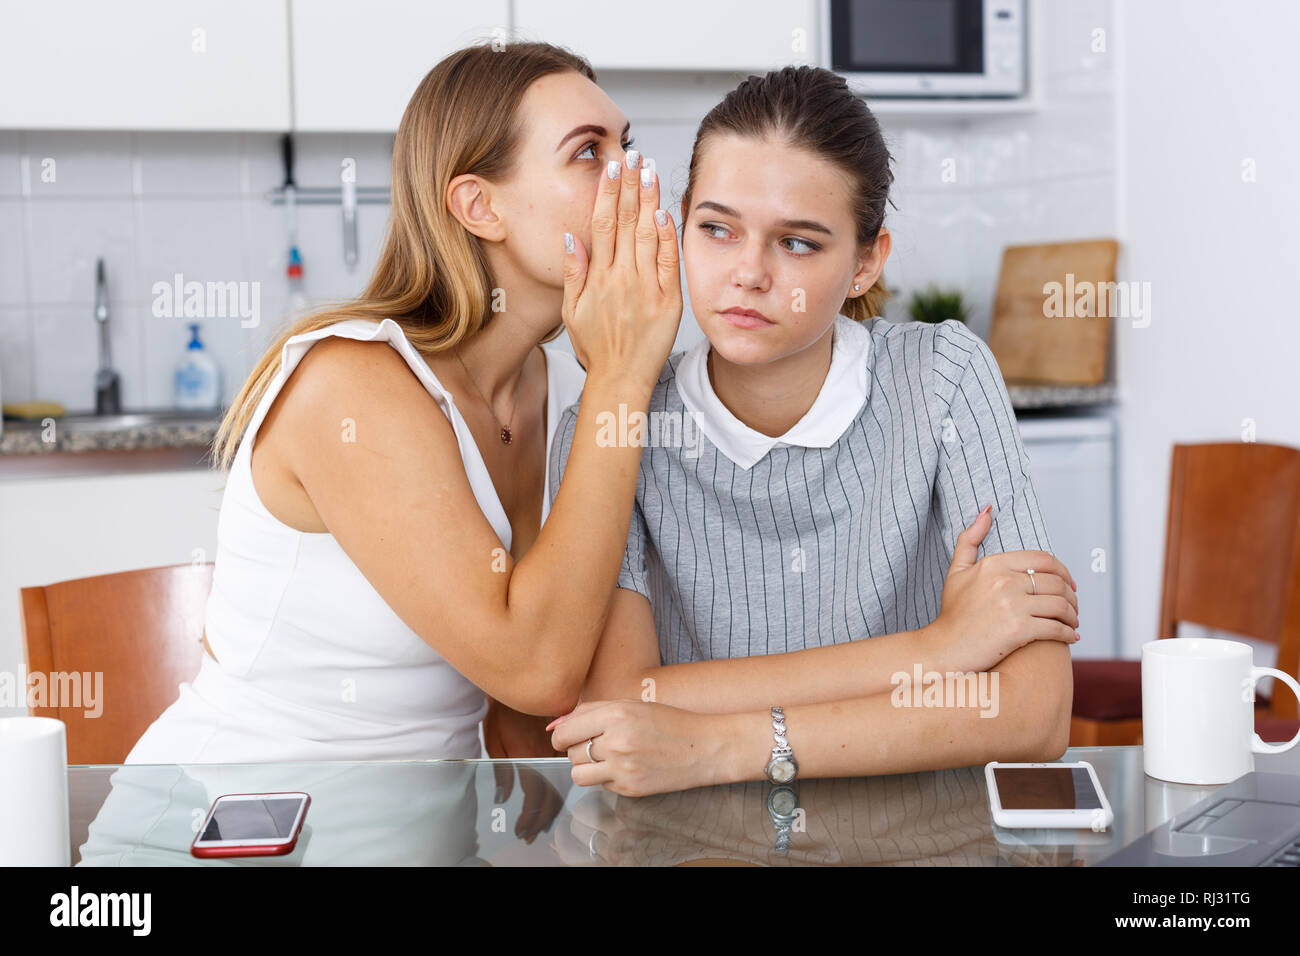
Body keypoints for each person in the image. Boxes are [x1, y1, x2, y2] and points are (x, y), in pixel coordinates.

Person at [125, 41, 681, 763]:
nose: (634, 179)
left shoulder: (546, 381)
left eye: (627, 146)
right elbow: (536, 669)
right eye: (587, 153)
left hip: (421, 831)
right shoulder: (352, 384)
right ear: (480, 206)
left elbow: (527, 682)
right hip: (241, 825)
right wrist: (623, 379)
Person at [547, 66, 1077, 796]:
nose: (748, 273)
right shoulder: (611, 429)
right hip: (704, 845)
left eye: (797, 243)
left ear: (866, 263)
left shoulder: (943, 377)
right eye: (717, 229)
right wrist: (939, 651)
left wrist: (723, 743)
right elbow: (619, 706)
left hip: (920, 836)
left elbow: (1035, 713)